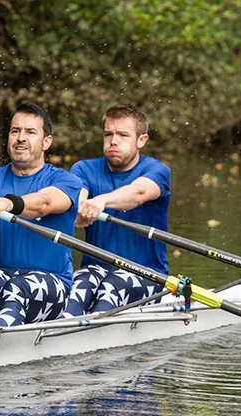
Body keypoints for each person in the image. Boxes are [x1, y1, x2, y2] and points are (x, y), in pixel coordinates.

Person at [0, 103, 82, 334]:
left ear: (46, 142)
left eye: (30, 132)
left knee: (18, 288)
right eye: (15, 131)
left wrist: (9, 203)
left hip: (53, 285)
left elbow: (45, 203)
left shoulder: (66, 181)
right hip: (1, 278)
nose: (21, 138)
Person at [62, 104, 171, 317]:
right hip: (94, 270)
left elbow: (138, 193)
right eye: (108, 134)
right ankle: (59, 329)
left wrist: (101, 201)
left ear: (141, 140)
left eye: (122, 135)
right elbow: (77, 196)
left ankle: (90, 335)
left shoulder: (157, 171)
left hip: (147, 275)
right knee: (76, 290)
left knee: (112, 286)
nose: (113, 141)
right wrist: (78, 208)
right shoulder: (83, 169)